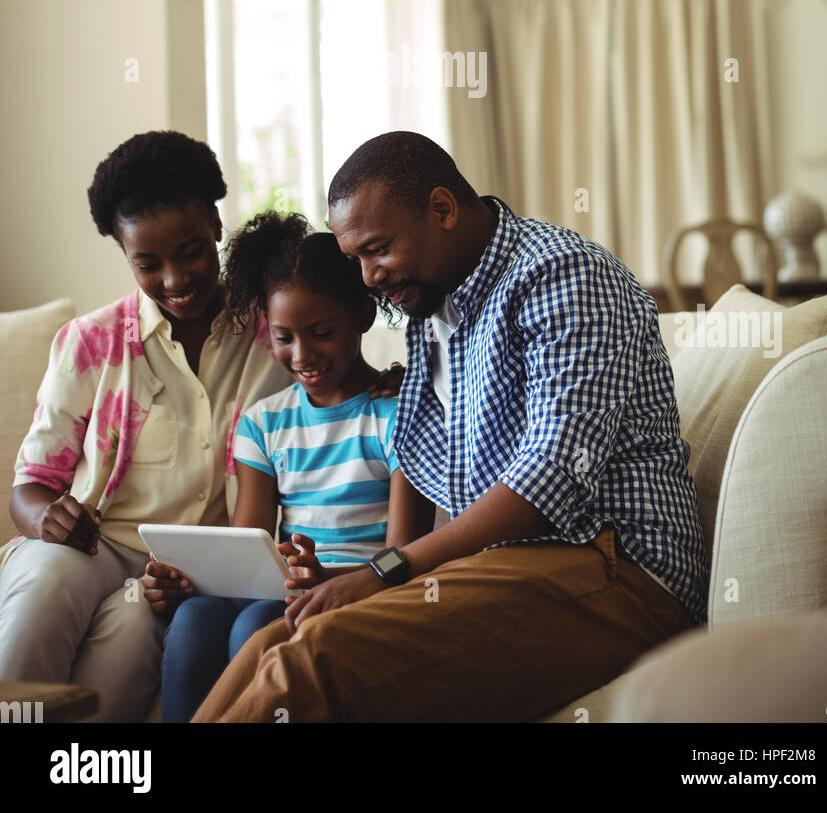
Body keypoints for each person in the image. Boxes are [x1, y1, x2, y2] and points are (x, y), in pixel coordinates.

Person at [192, 130, 710, 725]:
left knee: (311, 659)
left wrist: (385, 571)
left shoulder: (561, 275)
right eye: (355, 258)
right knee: (270, 644)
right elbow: (433, 467)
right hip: (510, 566)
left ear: (442, 209)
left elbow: (550, 479)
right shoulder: (434, 306)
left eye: (377, 249)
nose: (367, 277)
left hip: (621, 569)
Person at [0, 130, 401, 722]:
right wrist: (44, 514)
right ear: (125, 255)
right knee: (46, 585)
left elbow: (330, 346)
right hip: (90, 545)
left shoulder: (271, 332)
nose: (174, 280)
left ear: (216, 224)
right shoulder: (90, 343)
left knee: (134, 643)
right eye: (147, 263)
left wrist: (392, 380)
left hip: (189, 573)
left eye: (190, 251)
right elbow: (31, 484)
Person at [155, 210, 433, 722]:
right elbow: (246, 553)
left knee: (254, 626)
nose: (302, 354)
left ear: (361, 318)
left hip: (367, 585)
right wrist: (184, 581)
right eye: (283, 337)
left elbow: (405, 557)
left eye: (321, 332)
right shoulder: (263, 424)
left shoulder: (398, 416)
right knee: (194, 620)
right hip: (291, 587)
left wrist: (331, 576)